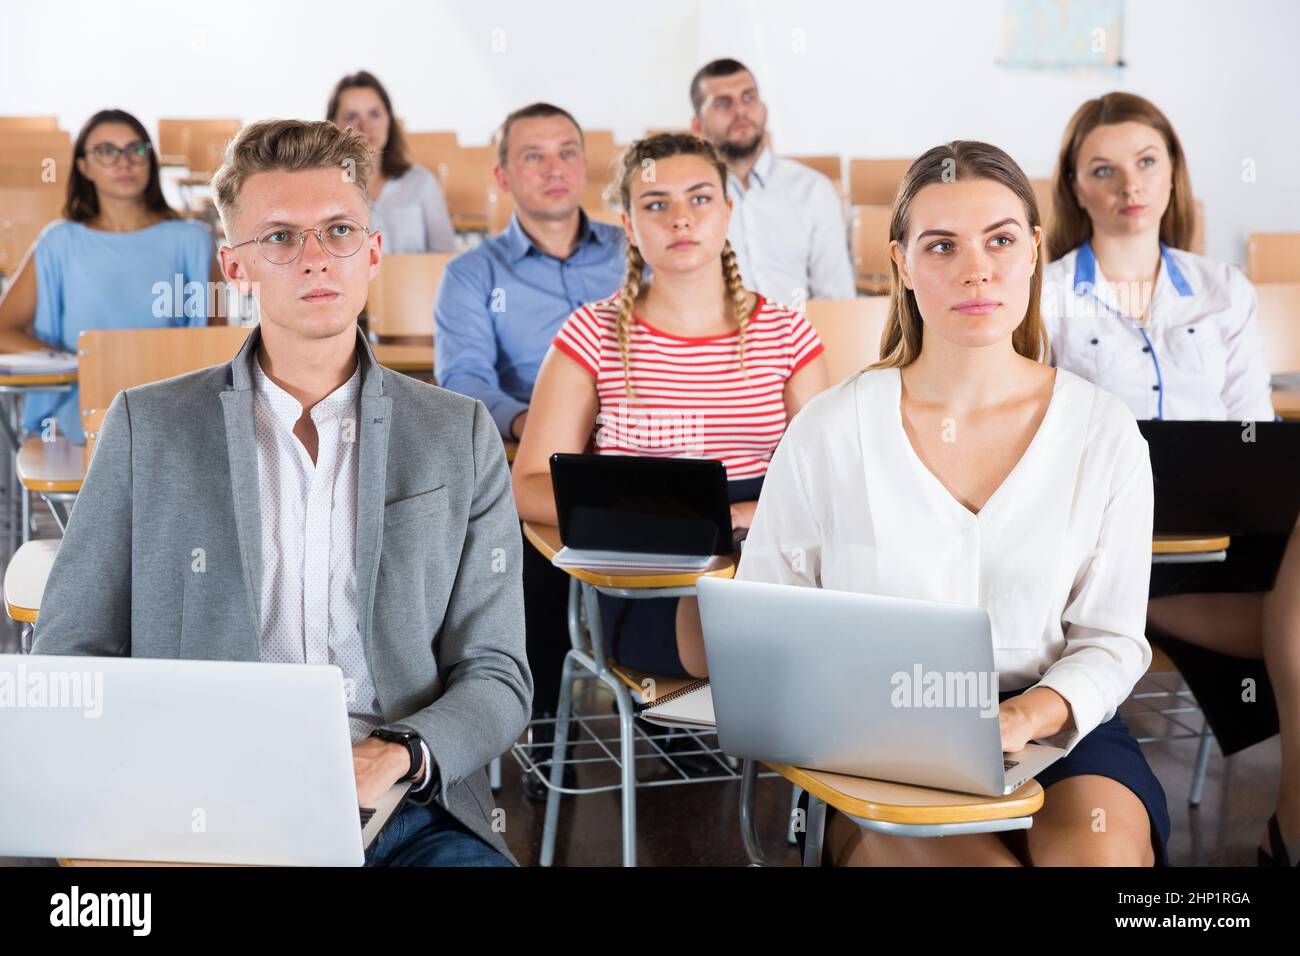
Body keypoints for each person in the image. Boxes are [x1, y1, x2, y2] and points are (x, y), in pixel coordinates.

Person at [30, 119, 531, 868]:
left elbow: (497, 672)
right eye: (280, 239)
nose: (314, 260)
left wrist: (399, 754)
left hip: (402, 802)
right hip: (201, 801)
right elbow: (72, 649)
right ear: (235, 267)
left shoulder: (456, 434)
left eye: (337, 231)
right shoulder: (148, 426)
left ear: (373, 252)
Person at [738, 141, 1169, 866]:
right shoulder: (831, 429)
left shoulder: (1102, 429)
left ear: (1033, 250)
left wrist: (1028, 714)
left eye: (1000, 240)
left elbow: (1114, 637)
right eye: (942, 246)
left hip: (1058, 720)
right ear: (902, 264)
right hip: (882, 740)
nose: (977, 270)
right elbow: (766, 620)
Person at [1042, 91, 1300, 867]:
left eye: (1147, 161)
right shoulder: (1045, 292)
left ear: (1174, 172)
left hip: (1224, 531)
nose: (1130, 185)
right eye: (1105, 169)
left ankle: (1139, 616)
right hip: (1092, 537)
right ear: (1076, 187)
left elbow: (1251, 427)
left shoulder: (1222, 288)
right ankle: (1292, 831)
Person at [512, 132, 828, 685]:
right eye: (657, 204)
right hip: (650, 572)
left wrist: (745, 519)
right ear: (630, 225)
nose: (681, 218)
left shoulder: (786, 332)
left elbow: (831, 479)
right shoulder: (590, 334)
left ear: (728, 212)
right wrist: (663, 527)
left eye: (700, 199)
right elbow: (529, 483)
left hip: (764, 544)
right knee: (743, 612)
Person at [434, 102, 625, 798]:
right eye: (534, 156)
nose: (555, 169)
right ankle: (546, 731)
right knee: (535, 552)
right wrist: (551, 425)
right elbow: (467, 390)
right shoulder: (472, 276)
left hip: (638, 450)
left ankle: (666, 719)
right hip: (535, 461)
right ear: (503, 174)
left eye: (567, 152)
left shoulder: (636, 251)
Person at [0, 109, 214, 444]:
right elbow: (4, 328)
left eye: (135, 150)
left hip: (171, 412)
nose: (123, 162)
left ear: (150, 159)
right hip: (80, 409)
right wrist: (80, 363)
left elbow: (215, 343)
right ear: (84, 167)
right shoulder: (59, 241)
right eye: (106, 151)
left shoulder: (194, 240)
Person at [689, 58, 854, 305]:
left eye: (748, 97)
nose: (740, 111)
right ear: (698, 126)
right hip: (717, 342)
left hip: (800, 340)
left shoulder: (813, 190)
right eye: (723, 103)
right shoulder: (685, 200)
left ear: (764, 110)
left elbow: (836, 299)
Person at [327, 70, 456, 254]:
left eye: (374, 114)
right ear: (332, 125)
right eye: (351, 117)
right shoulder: (323, 189)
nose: (365, 127)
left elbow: (445, 257)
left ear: (389, 119)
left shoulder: (421, 182)